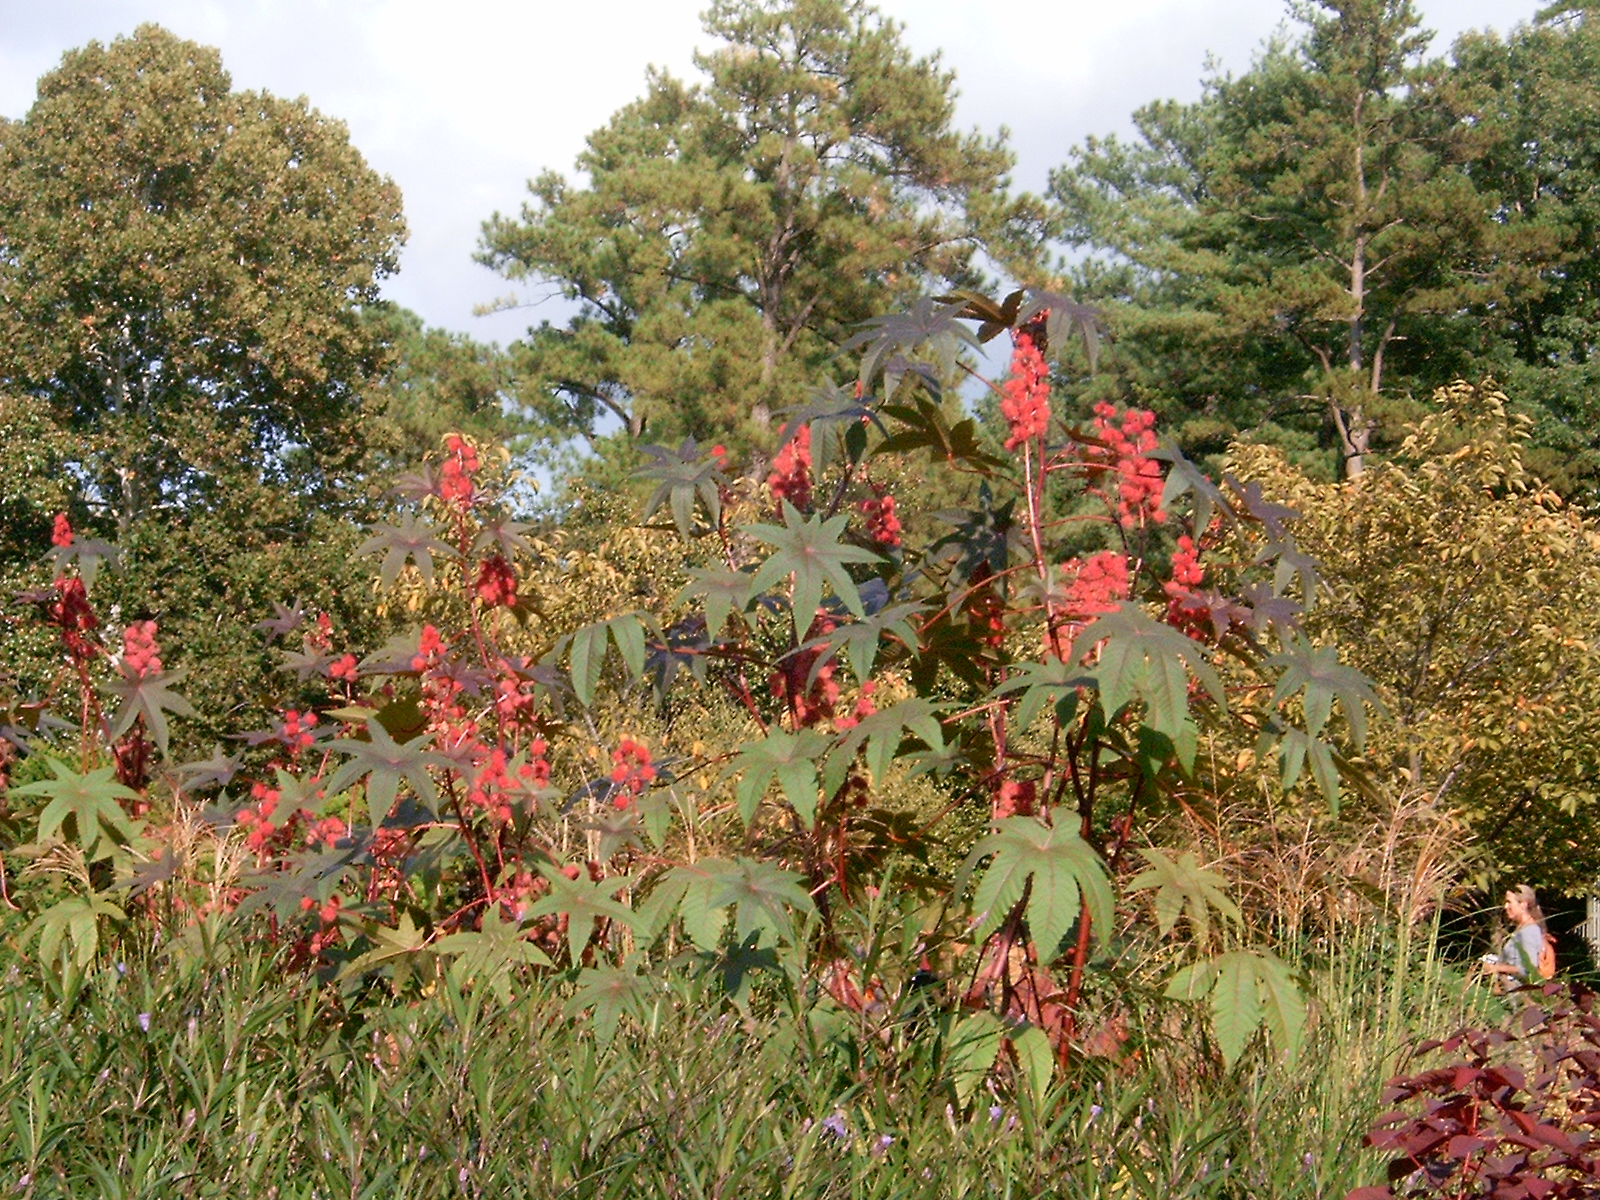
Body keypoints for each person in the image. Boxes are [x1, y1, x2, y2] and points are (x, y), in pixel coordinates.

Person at [1481, 884, 1551, 983]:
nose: (1505, 906)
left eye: (1509, 902)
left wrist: (1495, 968)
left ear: (1523, 904)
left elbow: (1527, 969)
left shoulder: (1529, 931)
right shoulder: (1522, 928)